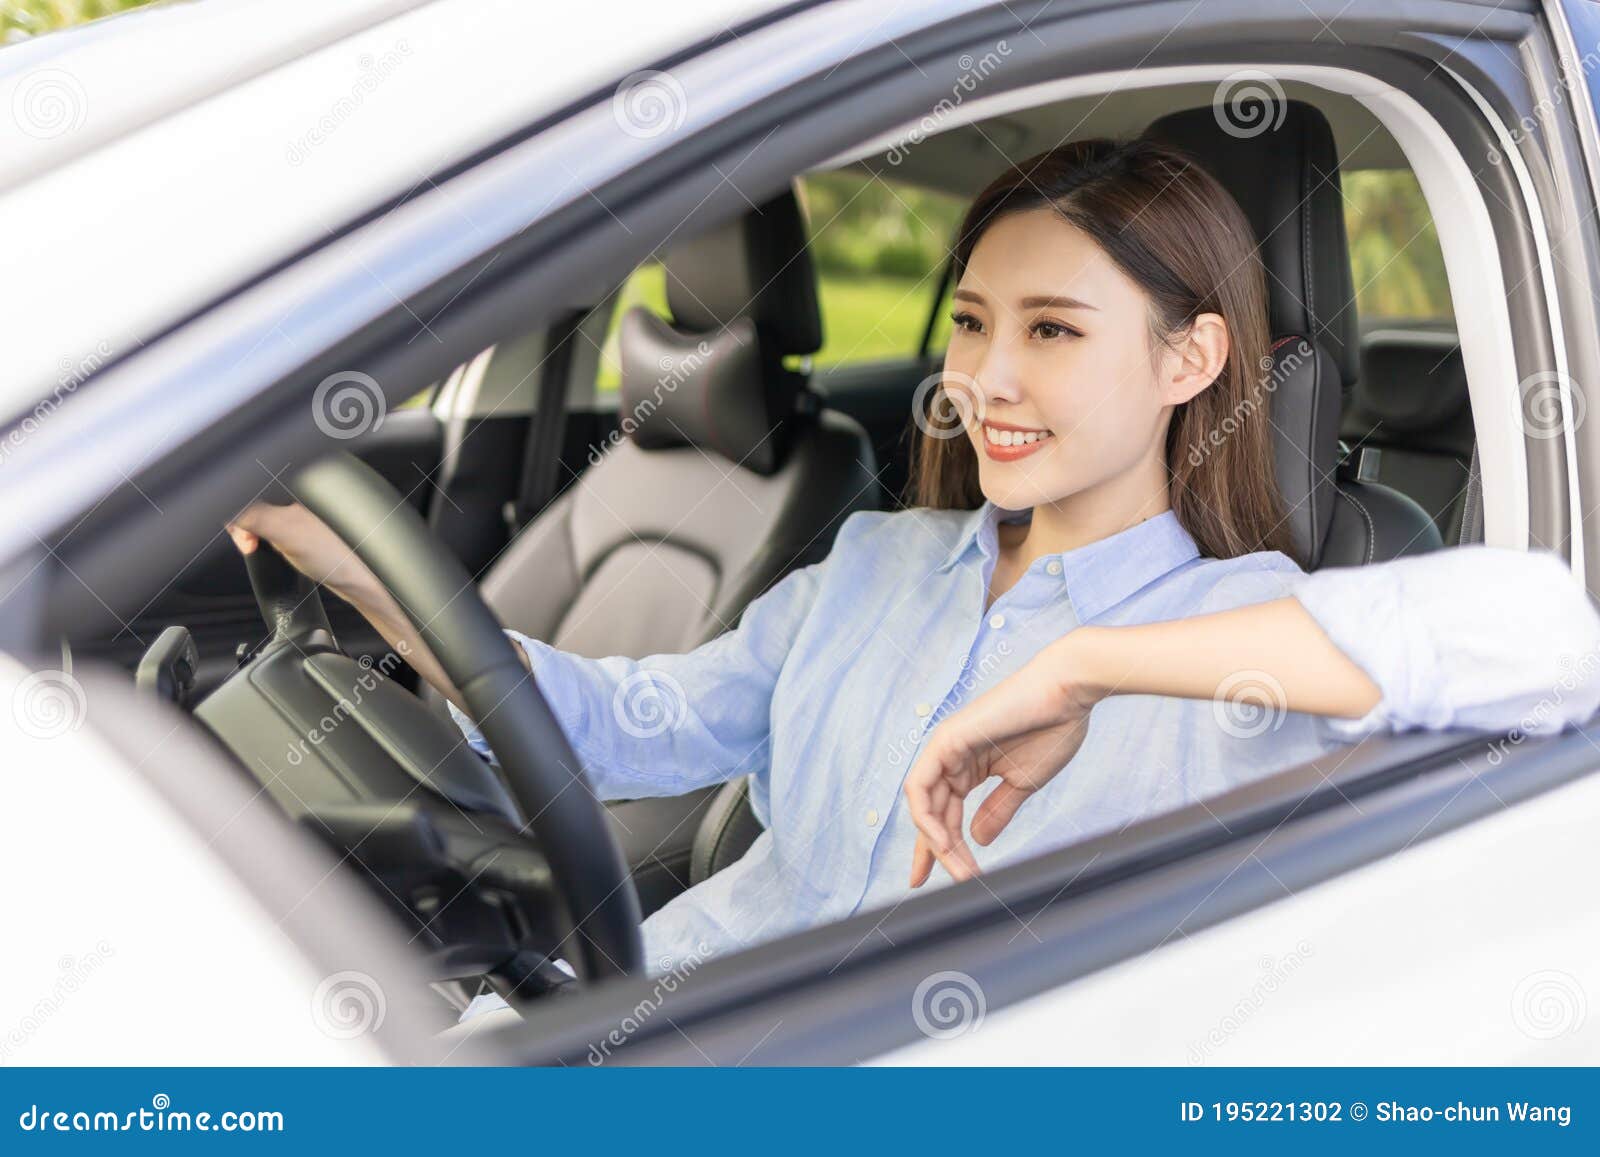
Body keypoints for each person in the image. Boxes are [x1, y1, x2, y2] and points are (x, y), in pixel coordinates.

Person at [227, 137, 1600, 990]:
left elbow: (1548, 634)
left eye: (1055, 332)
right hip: (633, 1018)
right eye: (973, 322)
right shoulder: (878, 559)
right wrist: (362, 573)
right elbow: (621, 729)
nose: (987, 378)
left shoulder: (1233, 632)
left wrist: (1083, 662)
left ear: (1192, 361)